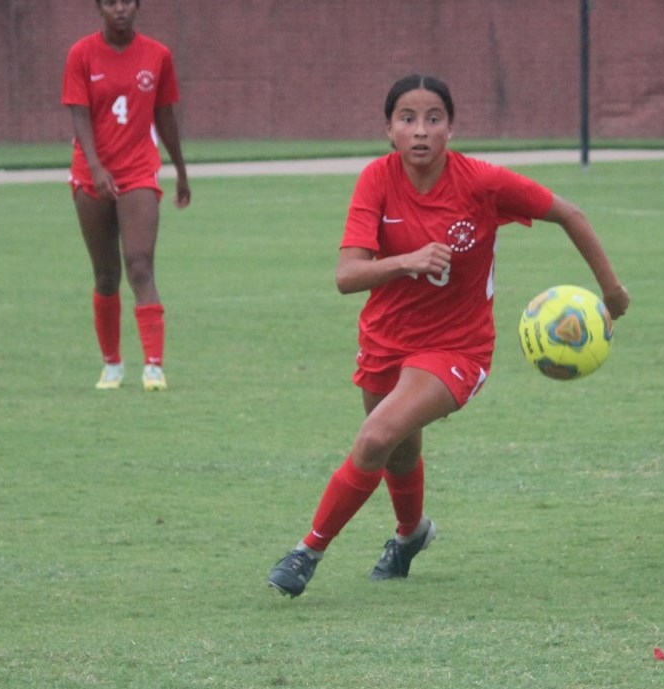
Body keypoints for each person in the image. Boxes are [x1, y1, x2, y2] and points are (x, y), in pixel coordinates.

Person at [266, 74, 631, 597]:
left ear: (451, 129)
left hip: (456, 348)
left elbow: (568, 213)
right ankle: (411, 534)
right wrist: (407, 261)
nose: (420, 131)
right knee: (396, 451)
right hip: (384, 339)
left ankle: (307, 551)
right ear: (388, 130)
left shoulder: (481, 183)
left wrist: (612, 292)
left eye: (433, 119)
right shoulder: (375, 179)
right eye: (407, 119)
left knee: (374, 437)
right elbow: (346, 277)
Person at [61, 0, 191, 391]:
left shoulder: (157, 55)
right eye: (111, 3)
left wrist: (181, 169)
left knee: (139, 264)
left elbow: (164, 115)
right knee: (106, 274)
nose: (120, 9)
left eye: (127, 3)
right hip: (91, 174)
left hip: (138, 170)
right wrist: (96, 169)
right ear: (98, 8)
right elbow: (79, 115)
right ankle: (112, 364)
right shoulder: (81, 54)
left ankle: (153, 366)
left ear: (137, 7)